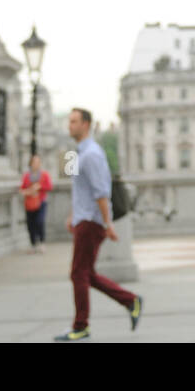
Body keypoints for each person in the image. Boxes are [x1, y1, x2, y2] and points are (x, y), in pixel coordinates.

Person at [55, 108, 141, 341]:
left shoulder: (92, 154)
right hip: (84, 219)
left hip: (91, 222)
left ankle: (81, 325)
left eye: (73, 121)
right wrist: (73, 215)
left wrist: (107, 223)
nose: (69, 126)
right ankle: (130, 300)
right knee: (85, 273)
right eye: (69, 121)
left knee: (78, 274)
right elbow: (80, 191)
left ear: (86, 124)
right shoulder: (80, 153)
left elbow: (101, 192)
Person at [20, 154, 53, 254]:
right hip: (29, 202)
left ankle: (42, 242)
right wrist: (28, 191)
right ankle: (33, 244)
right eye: (34, 162)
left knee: (40, 222)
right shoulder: (26, 176)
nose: (36, 164)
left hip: (41, 201)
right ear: (31, 164)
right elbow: (22, 188)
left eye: (38, 162)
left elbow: (49, 187)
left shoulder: (44, 175)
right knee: (31, 224)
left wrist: (39, 187)